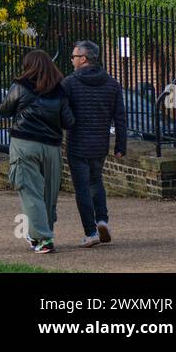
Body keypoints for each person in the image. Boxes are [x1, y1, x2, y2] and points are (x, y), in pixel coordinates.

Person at [0, 49, 75, 254]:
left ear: (29, 66)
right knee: (49, 194)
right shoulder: (60, 90)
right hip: (52, 147)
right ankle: (40, 233)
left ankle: (43, 238)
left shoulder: (20, 86)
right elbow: (69, 121)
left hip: (25, 143)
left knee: (30, 191)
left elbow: (4, 109)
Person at [61, 40, 127, 248]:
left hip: (77, 143)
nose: (72, 60)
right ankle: (102, 220)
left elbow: (64, 113)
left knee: (82, 188)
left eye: (74, 56)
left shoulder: (69, 83)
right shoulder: (112, 84)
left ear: (84, 59)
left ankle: (91, 232)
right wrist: (120, 146)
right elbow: (120, 118)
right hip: (100, 143)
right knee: (96, 182)